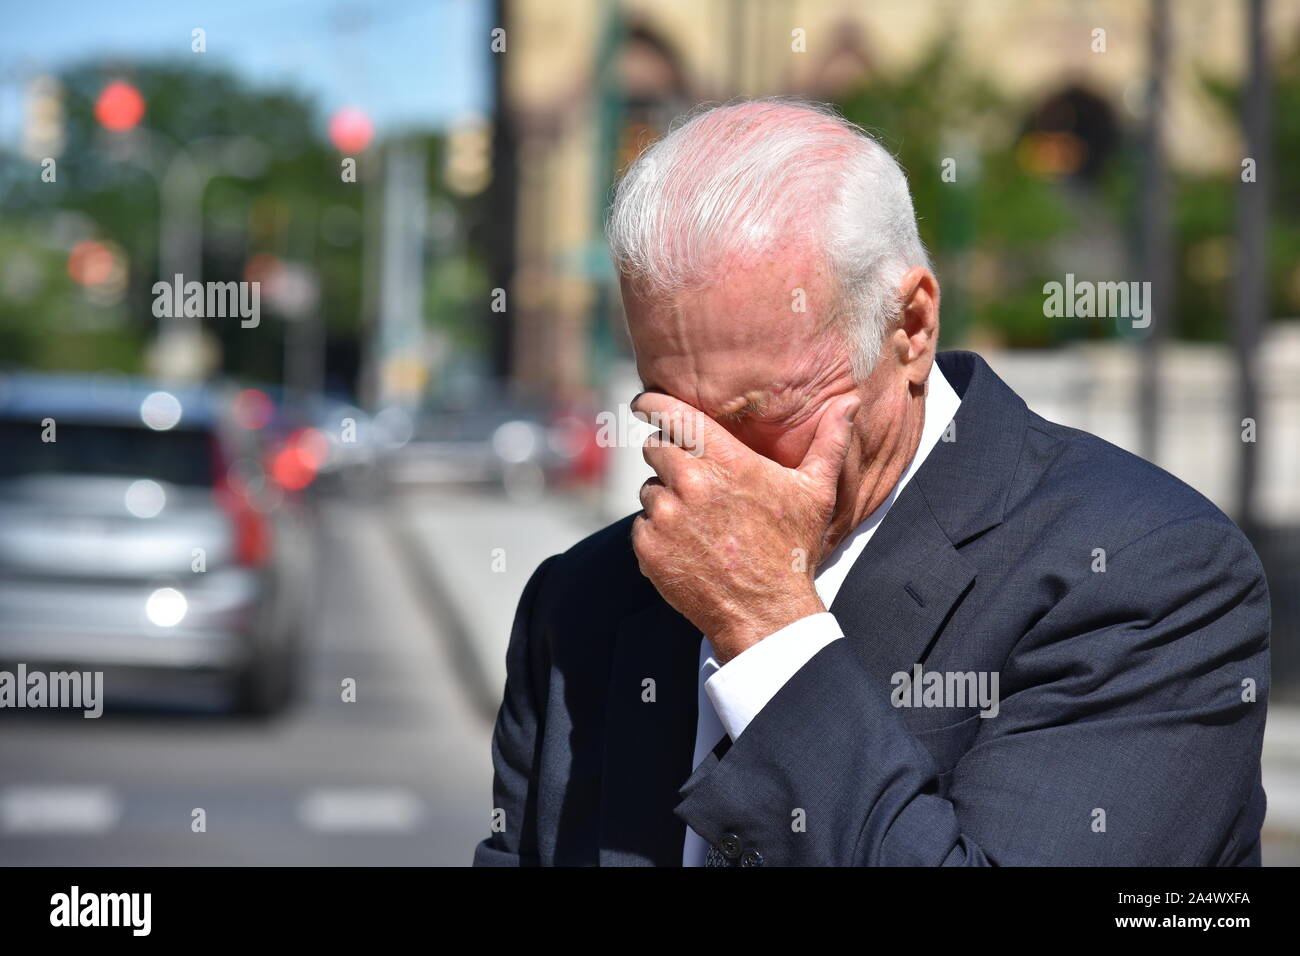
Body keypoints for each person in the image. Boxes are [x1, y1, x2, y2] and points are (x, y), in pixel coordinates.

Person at [473, 99, 1270, 866]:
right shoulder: (580, 605)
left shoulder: (1148, 577)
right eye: (671, 410)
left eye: (761, 409)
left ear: (910, 328)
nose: (711, 460)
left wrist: (769, 633)